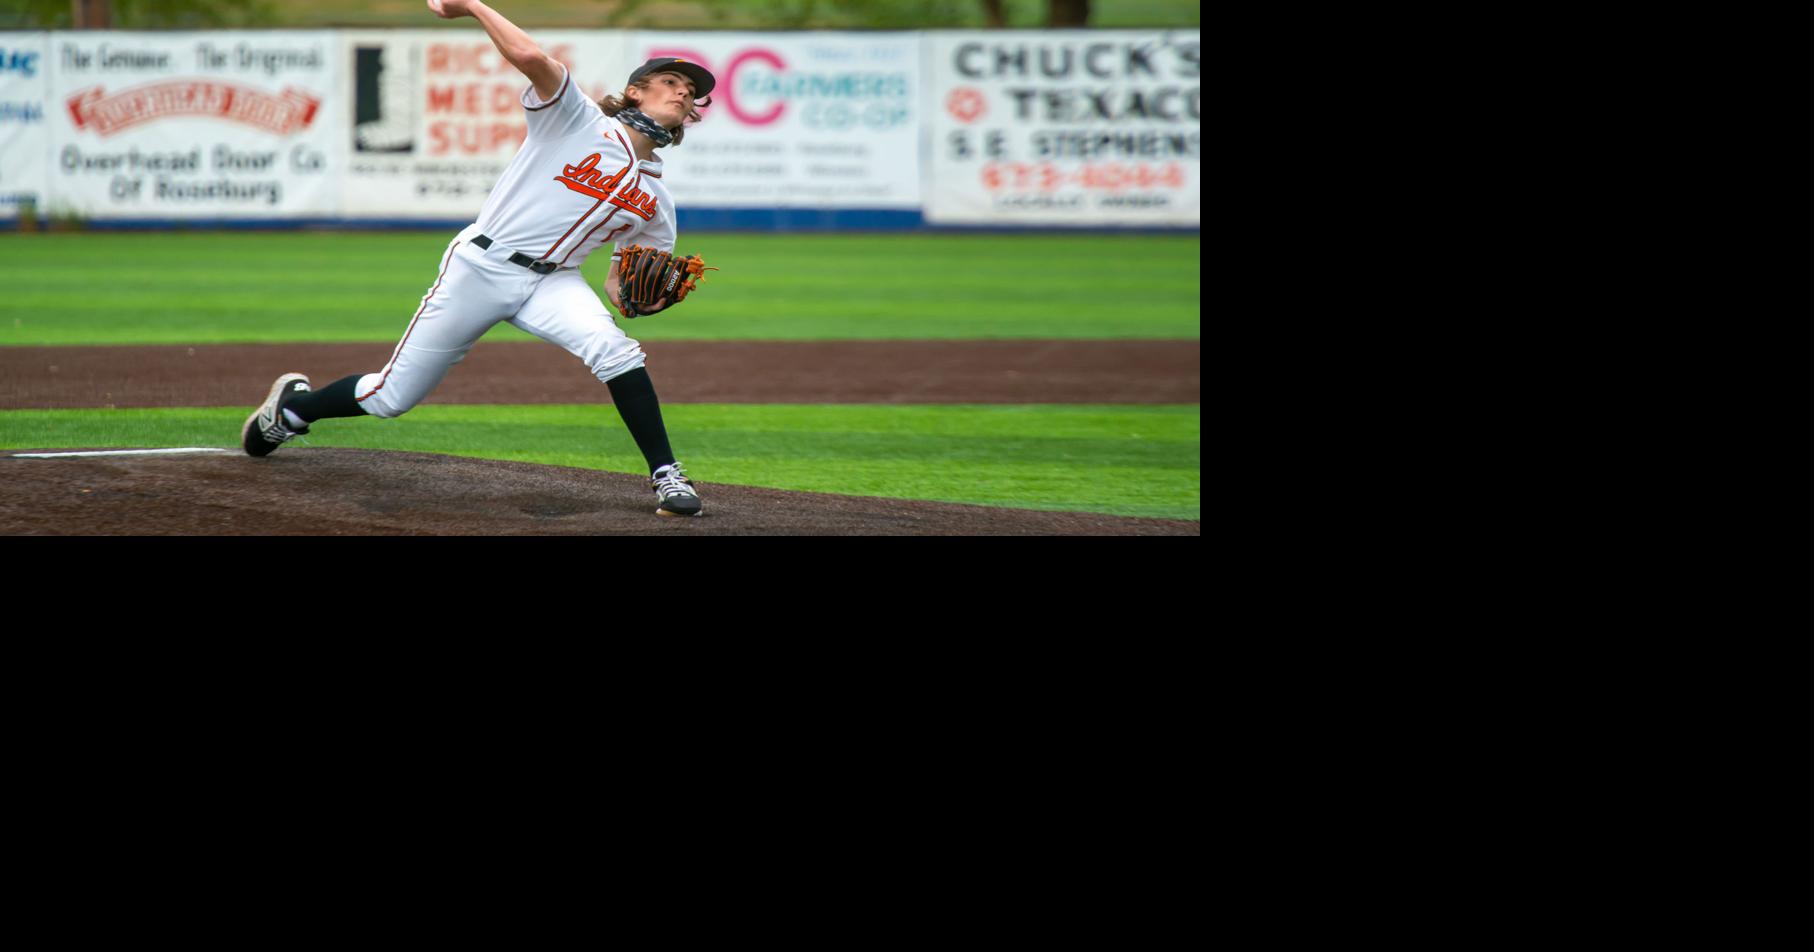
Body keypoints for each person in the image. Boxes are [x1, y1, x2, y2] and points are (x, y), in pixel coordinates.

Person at [241, 0, 713, 518]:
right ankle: (292, 410)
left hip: (554, 284)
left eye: (690, 92)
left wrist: (632, 300)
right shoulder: (575, 121)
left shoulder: (658, 202)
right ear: (635, 91)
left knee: (617, 351)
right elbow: (531, 55)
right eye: (671, 81)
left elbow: (620, 279)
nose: (684, 90)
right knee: (391, 397)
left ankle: (666, 476)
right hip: (481, 268)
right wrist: (470, 5)